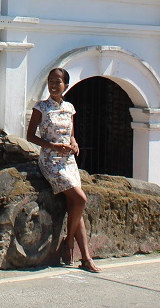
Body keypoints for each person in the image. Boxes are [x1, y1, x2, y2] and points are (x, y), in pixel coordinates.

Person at [26, 67, 100, 273]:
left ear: (65, 86)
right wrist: (53, 147)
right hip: (51, 161)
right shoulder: (41, 108)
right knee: (80, 199)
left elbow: (71, 134)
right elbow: (30, 136)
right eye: (51, 81)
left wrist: (74, 143)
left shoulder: (69, 108)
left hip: (68, 161)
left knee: (75, 204)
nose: (53, 84)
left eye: (58, 81)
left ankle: (85, 258)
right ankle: (68, 244)